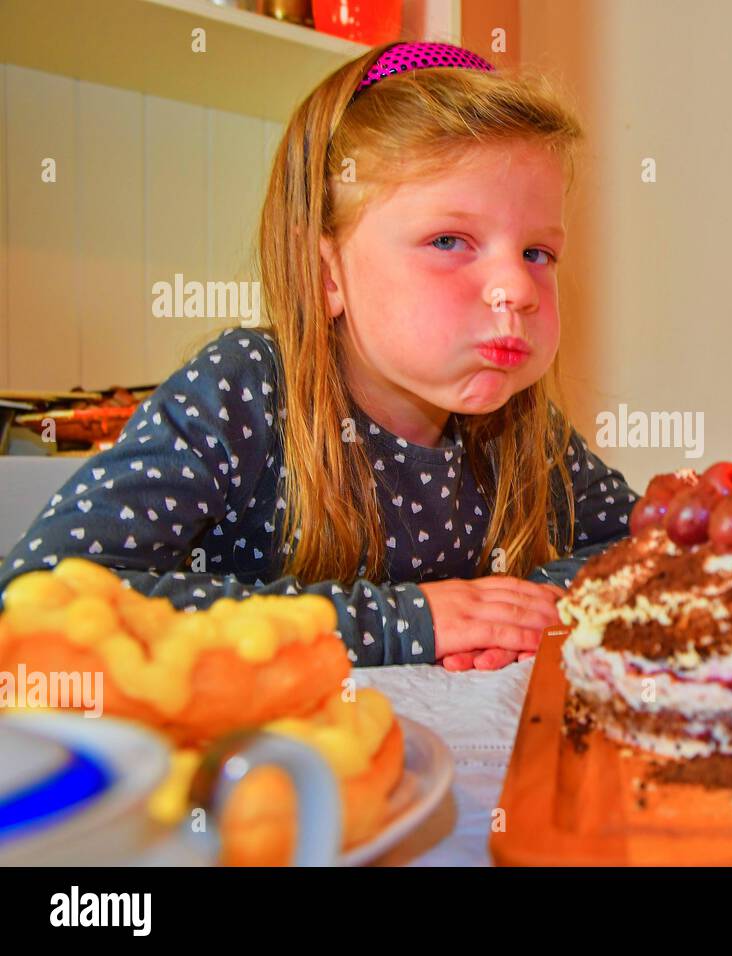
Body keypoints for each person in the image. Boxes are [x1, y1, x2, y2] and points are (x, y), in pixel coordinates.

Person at [0, 42, 637, 672]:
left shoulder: (522, 423)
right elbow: (39, 599)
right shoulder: (244, 390)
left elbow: (642, 545)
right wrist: (403, 622)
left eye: (538, 254)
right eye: (449, 240)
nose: (518, 290)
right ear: (323, 272)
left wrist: (539, 603)